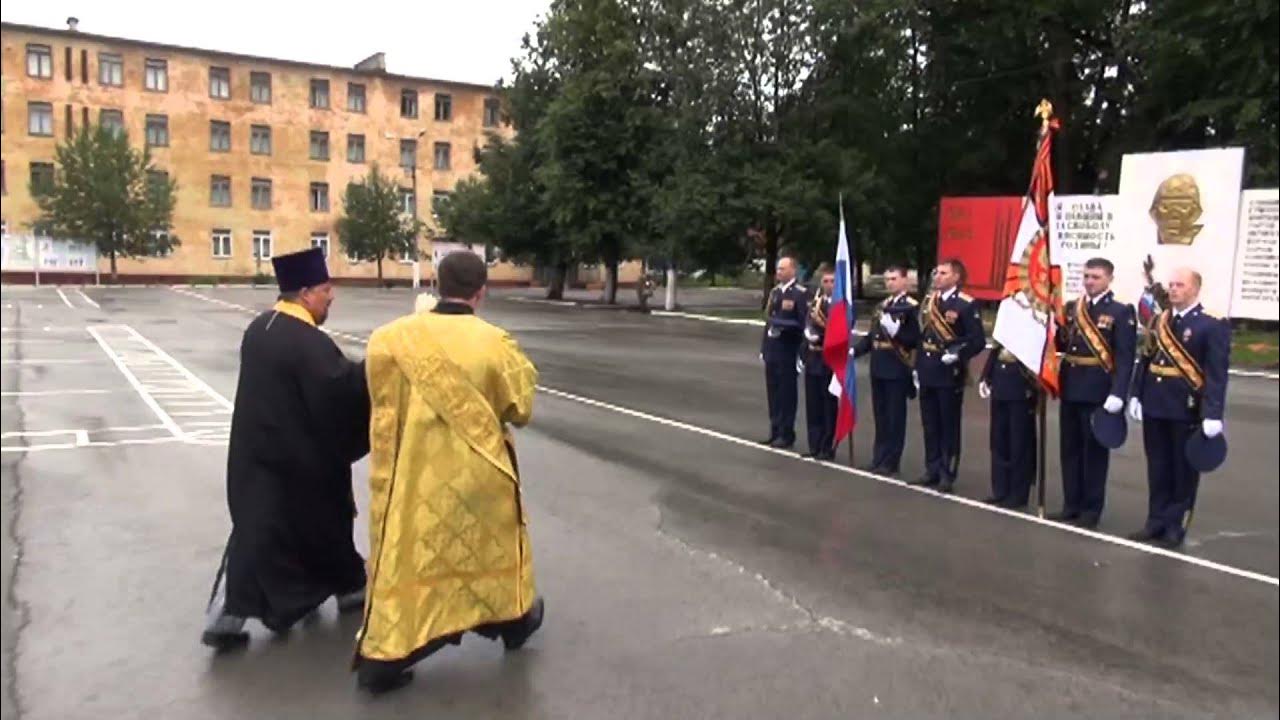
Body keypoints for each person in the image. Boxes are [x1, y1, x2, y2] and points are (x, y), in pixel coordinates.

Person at [355, 251, 543, 694]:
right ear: (481, 292)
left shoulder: (389, 339)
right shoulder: (496, 343)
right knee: (493, 554)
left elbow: (380, 409)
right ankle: (513, 620)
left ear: (437, 285)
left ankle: (385, 655)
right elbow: (521, 408)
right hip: (481, 477)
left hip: (413, 478)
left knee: (409, 561)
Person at [202, 248, 371, 650]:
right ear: (306, 292)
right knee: (321, 527)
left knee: (255, 539)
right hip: (301, 467)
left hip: (257, 462)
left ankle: (227, 617)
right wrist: (375, 368)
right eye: (327, 289)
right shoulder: (307, 343)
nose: (332, 298)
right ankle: (349, 591)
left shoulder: (260, 328)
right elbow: (339, 393)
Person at [1127, 268, 1230, 549]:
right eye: (1171, 285)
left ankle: (1175, 524)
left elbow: (1216, 374)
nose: (1173, 290)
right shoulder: (1160, 321)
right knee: (1158, 467)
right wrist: (1136, 394)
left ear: (1195, 289)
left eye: (1180, 285)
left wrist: (1212, 413)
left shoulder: (1211, 325)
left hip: (1186, 407)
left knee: (1182, 471)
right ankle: (1155, 520)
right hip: (1156, 405)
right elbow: (1145, 359)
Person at [1049, 258, 1137, 529]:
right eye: (1086, 276)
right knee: (1070, 449)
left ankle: (1091, 509)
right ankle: (1071, 504)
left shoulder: (1121, 311)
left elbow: (1125, 357)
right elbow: (1062, 342)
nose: (1089, 281)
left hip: (1099, 390)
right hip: (1072, 385)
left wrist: (1119, 393)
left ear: (1109, 279)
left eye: (1095, 277)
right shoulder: (1073, 308)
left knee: (1093, 453)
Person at [909, 259, 985, 493]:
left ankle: (947, 473)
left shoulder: (965, 304)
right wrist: (917, 367)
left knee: (948, 425)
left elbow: (977, 341)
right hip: (928, 369)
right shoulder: (929, 301)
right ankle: (931, 469)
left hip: (948, 372)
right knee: (930, 423)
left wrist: (959, 354)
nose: (937, 277)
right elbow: (923, 338)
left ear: (956, 277)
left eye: (943, 273)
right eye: (936, 272)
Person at [852, 265, 920, 476]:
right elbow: (873, 336)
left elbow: (914, 339)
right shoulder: (882, 306)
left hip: (897, 366)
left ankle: (891, 461)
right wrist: (854, 351)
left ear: (905, 281)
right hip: (879, 366)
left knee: (894, 417)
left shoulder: (912, 307)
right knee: (880, 416)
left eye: (894, 279)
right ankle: (879, 457)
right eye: (887, 279)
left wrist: (897, 333)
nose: (889, 283)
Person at [978, 344, 1038, 509]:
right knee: (999, 440)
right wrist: (986, 376)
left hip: (1020, 384)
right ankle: (1001, 489)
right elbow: (996, 348)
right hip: (1000, 382)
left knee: (1019, 443)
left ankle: (1018, 493)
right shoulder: (1006, 320)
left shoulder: (1032, 319)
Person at [759, 256, 809, 449]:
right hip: (773, 350)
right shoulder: (775, 292)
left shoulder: (800, 294)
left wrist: (801, 353)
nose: (778, 272)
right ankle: (775, 430)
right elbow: (768, 322)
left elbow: (803, 324)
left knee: (787, 395)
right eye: (778, 269)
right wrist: (764, 348)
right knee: (773, 393)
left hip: (788, 351)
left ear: (793, 271)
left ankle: (786, 433)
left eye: (782, 269)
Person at [801, 264, 838, 460]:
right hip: (813, 357)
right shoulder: (816, 303)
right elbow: (807, 323)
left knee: (828, 405)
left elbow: (841, 332)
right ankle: (814, 444)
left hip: (830, 360)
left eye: (832, 281)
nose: (829, 285)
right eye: (825, 281)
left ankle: (827, 445)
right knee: (813, 404)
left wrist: (821, 337)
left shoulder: (841, 305)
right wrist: (808, 336)